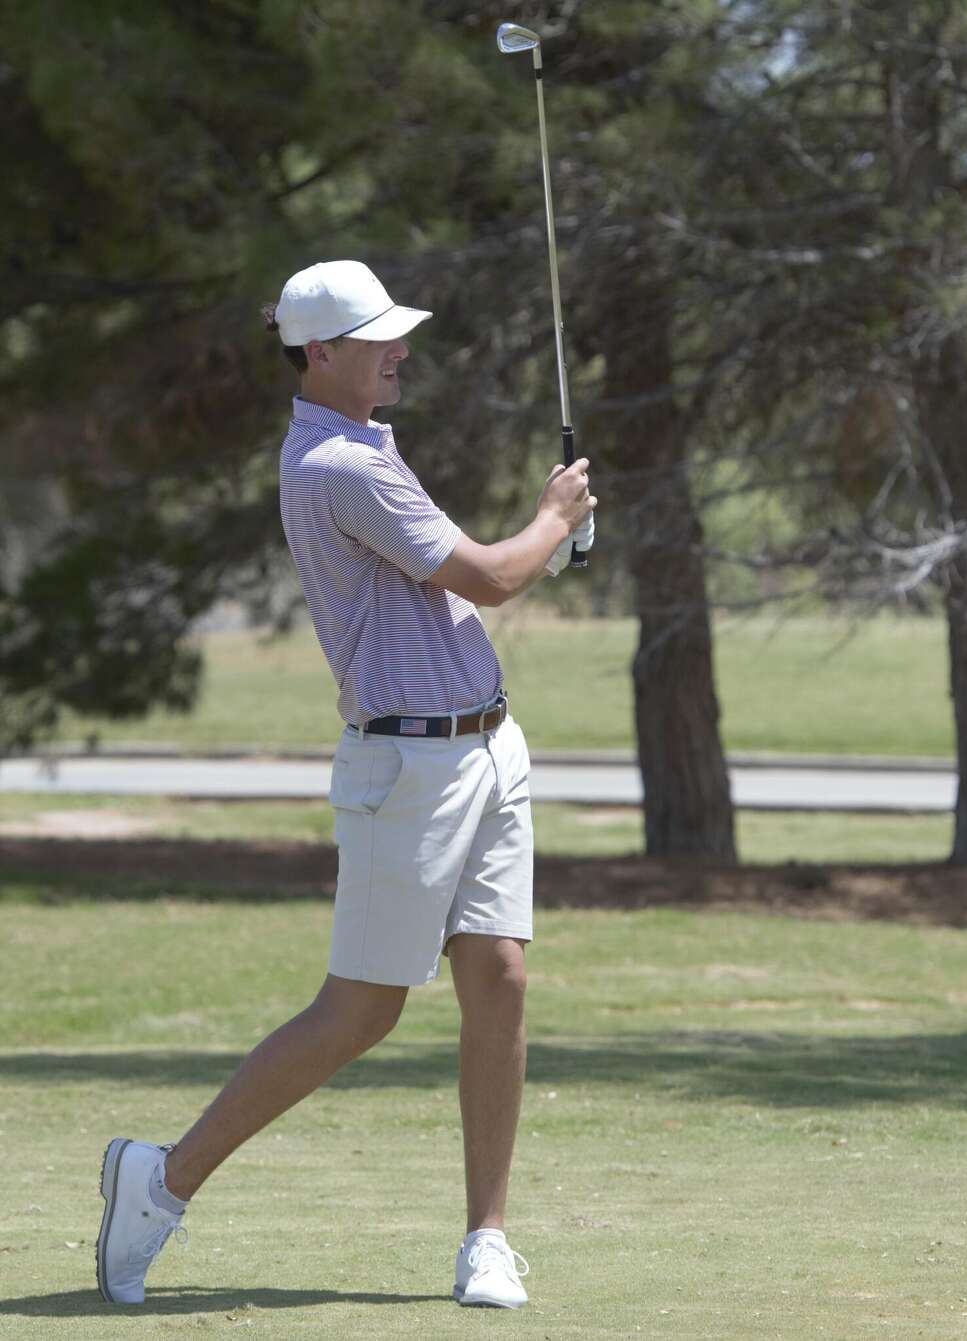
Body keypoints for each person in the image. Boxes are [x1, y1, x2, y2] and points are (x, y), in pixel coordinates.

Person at [95, 259, 596, 1311]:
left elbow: (456, 581)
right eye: (378, 338)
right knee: (361, 1011)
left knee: (500, 975)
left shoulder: (370, 445)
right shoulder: (337, 466)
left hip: (487, 744)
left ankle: (487, 1239)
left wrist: (548, 540)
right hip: (405, 766)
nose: (400, 349)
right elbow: (492, 576)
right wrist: (554, 520)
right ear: (319, 352)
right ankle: (162, 1180)